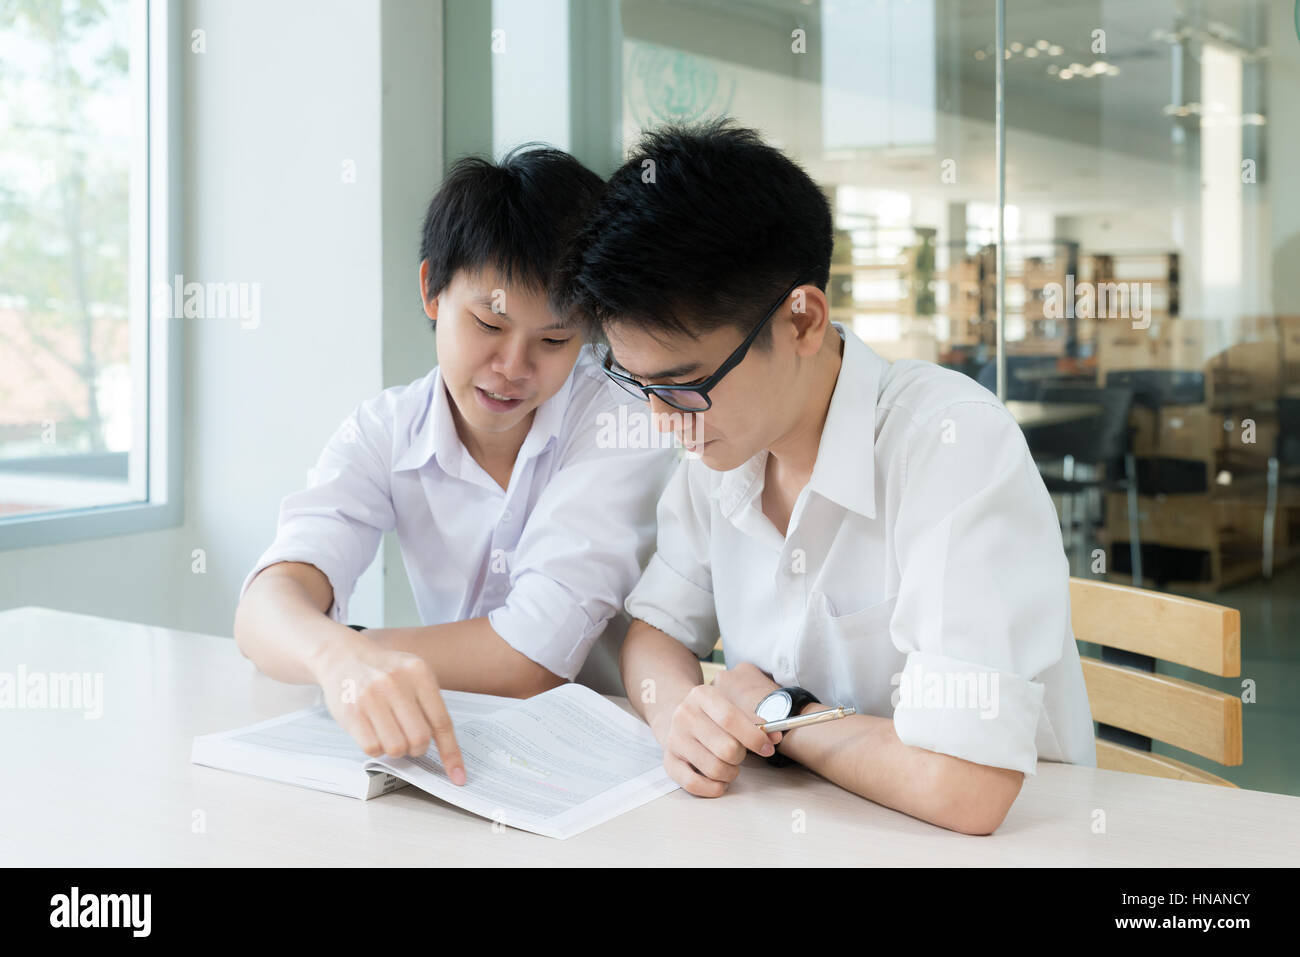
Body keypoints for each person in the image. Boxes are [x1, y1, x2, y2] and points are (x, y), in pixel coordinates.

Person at [552, 121, 1096, 834]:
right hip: (816, 830)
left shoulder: (950, 446)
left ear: (803, 319)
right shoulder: (718, 446)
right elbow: (655, 633)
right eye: (638, 383)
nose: (663, 419)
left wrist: (783, 713)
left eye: (685, 382)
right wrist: (683, 715)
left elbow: (967, 786)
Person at [233, 146, 676, 786]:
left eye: (554, 341)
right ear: (432, 291)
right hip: (459, 747)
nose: (515, 366)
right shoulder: (384, 430)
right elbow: (262, 611)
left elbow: (532, 658)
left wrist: (346, 650)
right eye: (489, 324)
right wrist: (335, 657)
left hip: (612, 757)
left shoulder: (621, 421)